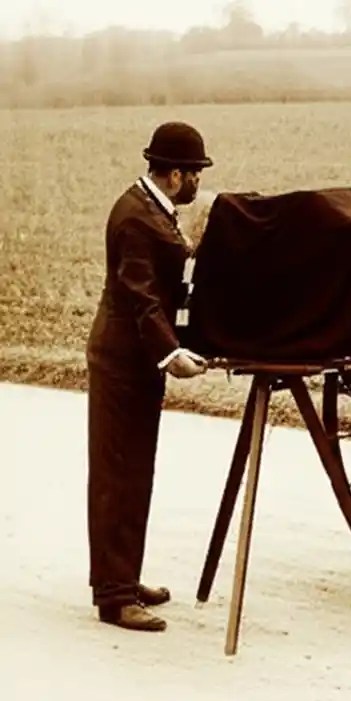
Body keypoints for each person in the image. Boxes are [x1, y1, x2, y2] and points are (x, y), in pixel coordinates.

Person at [85, 121, 213, 632]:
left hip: (135, 361)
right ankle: (114, 597)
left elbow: (169, 280)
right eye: (196, 173)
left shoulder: (153, 209)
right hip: (122, 362)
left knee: (136, 471)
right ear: (177, 174)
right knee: (117, 475)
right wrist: (171, 355)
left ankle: (123, 576)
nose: (199, 182)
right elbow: (140, 294)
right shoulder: (136, 218)